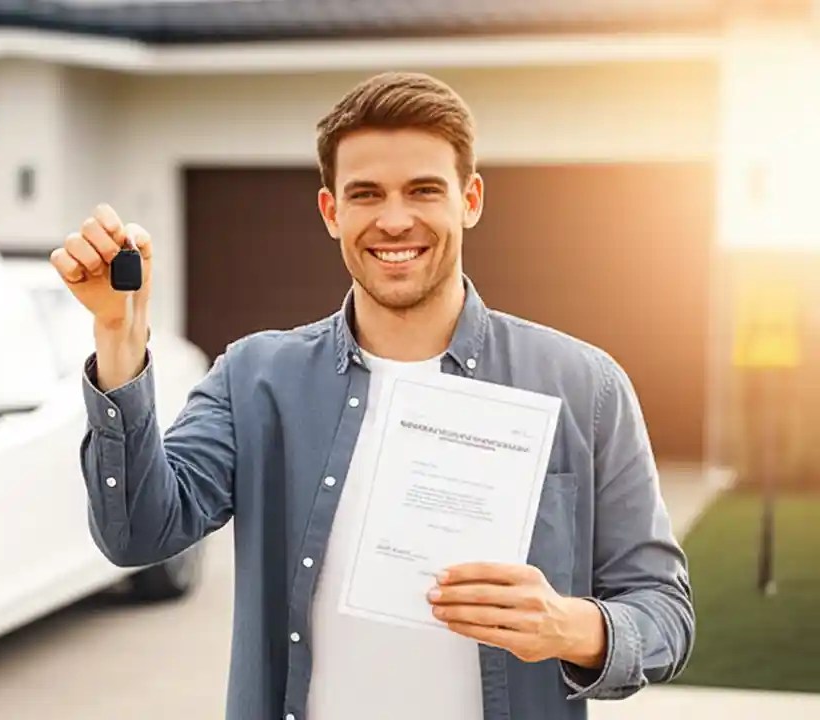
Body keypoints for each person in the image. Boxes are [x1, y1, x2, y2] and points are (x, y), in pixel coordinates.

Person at [48, 71, 694, 720]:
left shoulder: (585, 388)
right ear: (332, 211)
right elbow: (138, 534)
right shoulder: (255, 378)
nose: (394, 219)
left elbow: (663, 613)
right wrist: (118, 334)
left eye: (422, 191)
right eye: (366, 194)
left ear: (469, 200)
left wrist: (569, 626)